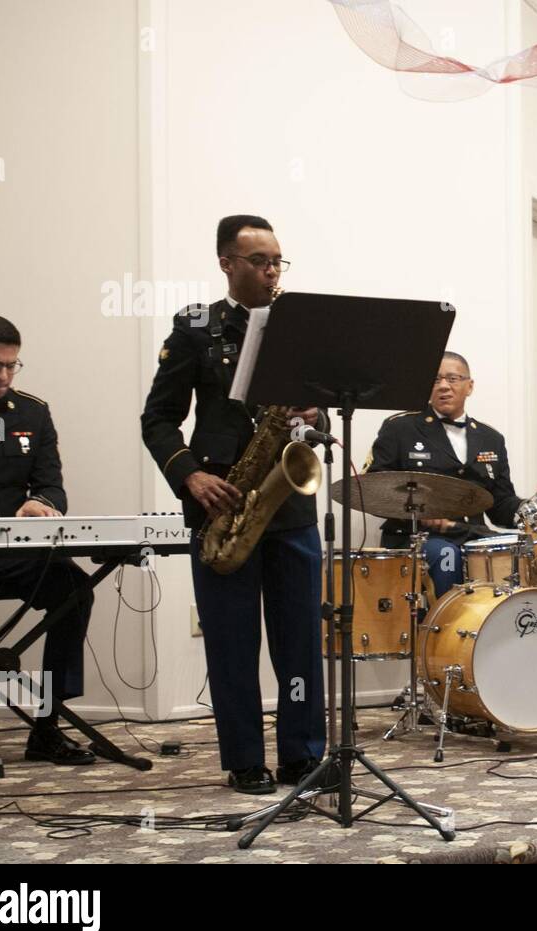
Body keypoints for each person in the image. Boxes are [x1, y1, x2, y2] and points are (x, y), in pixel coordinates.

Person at [141, 214, 326, 794]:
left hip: (289, 503)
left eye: (277, 261)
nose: (272, 271)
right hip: (222, 500)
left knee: (299, 639)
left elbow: (323, 410)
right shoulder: (195, 326)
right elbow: (158, 419)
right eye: (260, 261)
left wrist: (313, 417)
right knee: (231, 640)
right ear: (227, 263)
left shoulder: (302, 326)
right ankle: (245, 759)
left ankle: (302, 755)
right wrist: (190, 477)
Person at [0, 315, 96, 765]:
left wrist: (43, 504)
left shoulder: (34, 412)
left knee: (76, 590)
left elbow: (53, 485)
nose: (5, 376)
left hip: (10, 550)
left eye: (13, 366)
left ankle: (48, 724)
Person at [366, 352, 526, 598]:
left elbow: (501, 504)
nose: (443, 386)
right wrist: (418, 512)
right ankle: (445, 634)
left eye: (453, 379)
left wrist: (533, 508)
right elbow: (374, 489)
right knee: (445, 554)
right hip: (417, 539)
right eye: (436, 380)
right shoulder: (400, 428)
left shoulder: (491, 438)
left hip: (472, 536)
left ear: (469, 386)